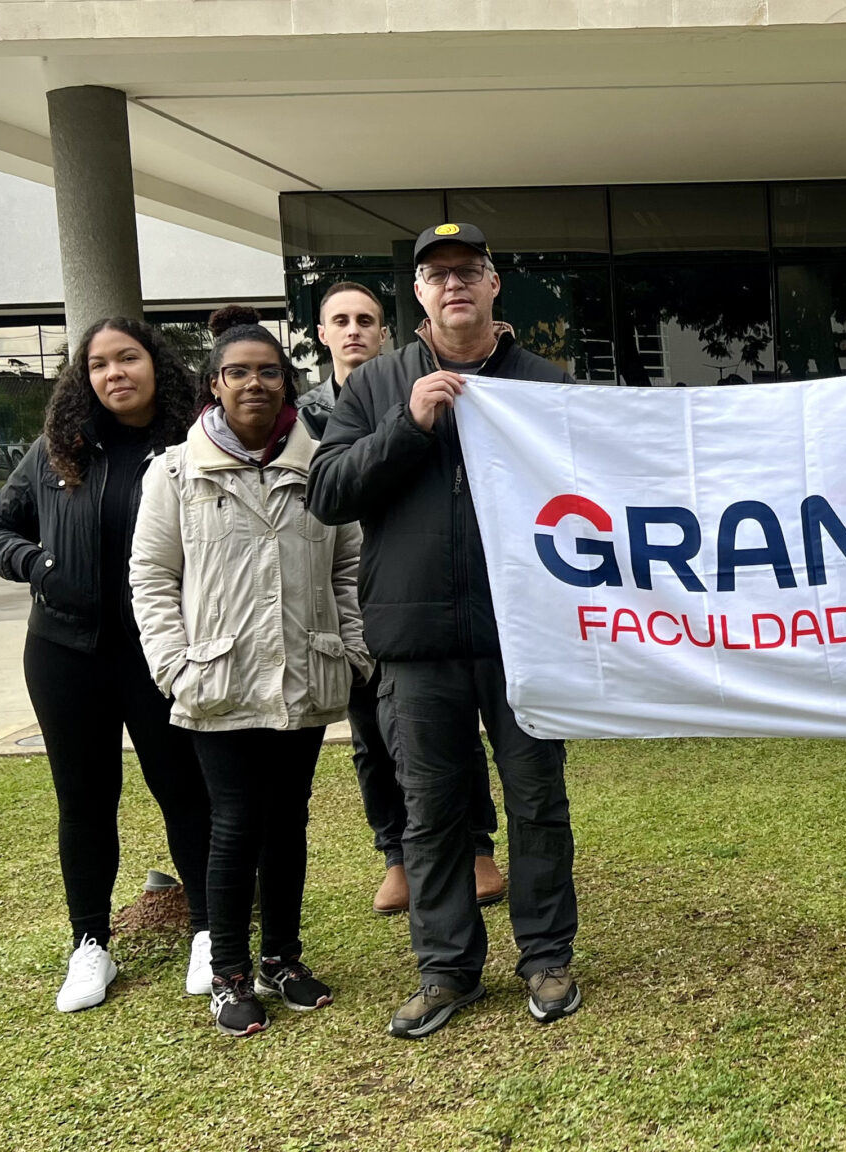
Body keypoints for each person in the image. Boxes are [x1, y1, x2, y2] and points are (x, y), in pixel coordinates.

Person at [308, 223, 582, 1040]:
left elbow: (601, 485)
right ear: (419, 293)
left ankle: (546, 958)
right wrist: (408, 423)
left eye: (469, 270)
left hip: (525, 633)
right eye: (438, 274)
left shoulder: (544, 382)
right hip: (415, 634)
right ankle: (446, 970)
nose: (454, 283)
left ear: (494, 285)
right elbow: (328, 492)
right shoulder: (378, 384)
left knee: (537, 800)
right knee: (430, 813)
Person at [127, 307, 365, 1037]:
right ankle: (228, 971)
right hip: (218, 679)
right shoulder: (175, 472)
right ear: (214, 383)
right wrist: (173, 667)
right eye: (238, 372)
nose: (254, 383)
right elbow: (152, 578)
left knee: (288, 821)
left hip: (303, 672)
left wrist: (353, 649)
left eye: (268, 371)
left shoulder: (321, 468)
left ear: (286, 381)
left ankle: (282, 959)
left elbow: (350, 568)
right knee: (233, 824)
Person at [0, 318, 214, 1013]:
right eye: (99, 364)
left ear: (155, 365)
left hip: (160, 651)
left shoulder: (192, 445)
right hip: (64, 652)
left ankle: (208, 930)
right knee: (84, 798)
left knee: (183, 789)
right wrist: (39, 565)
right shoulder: (58, 449)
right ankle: (90, 944)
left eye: (127, 358)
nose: (114, 373)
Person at [298, 280, 503, 916]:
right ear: (322, 334)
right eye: (340, 321)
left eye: (366, 320)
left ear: (385, 331)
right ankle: (395, 853)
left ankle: (475, 844)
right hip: (351, 588)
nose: (353, 330)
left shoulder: (426, 384)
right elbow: (325, 492)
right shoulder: (304, 414)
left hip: (424, 586)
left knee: (449, 726)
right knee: (373, 733)